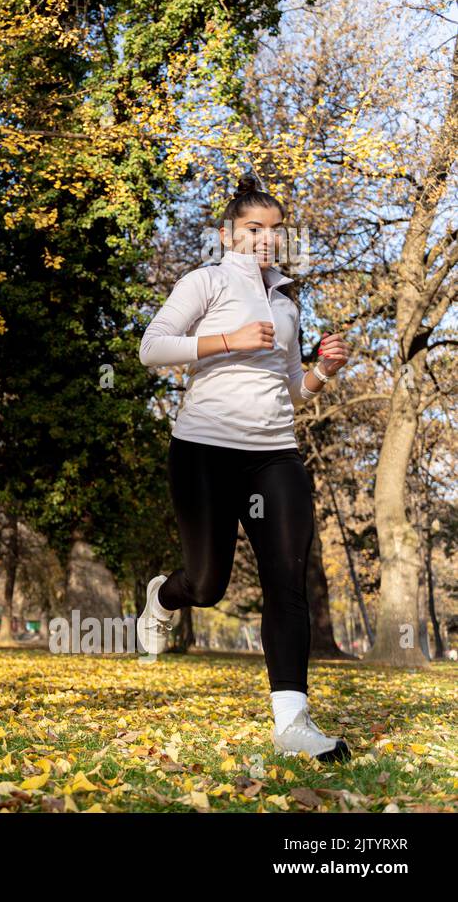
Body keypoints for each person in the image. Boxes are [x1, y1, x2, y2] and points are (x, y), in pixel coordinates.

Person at [137, 172, 351, 761]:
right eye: (254, 228)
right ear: (229, 233)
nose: (266, 239)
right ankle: (165, 596)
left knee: (288, 582)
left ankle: (293, 723)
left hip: (275, 453)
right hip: (205, 448)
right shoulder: (204, 281)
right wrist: (226, 340)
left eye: (275, 230)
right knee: (207, 585)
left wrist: (325, 370)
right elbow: (151, 348)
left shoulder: (286, 304)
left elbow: (293, 386)